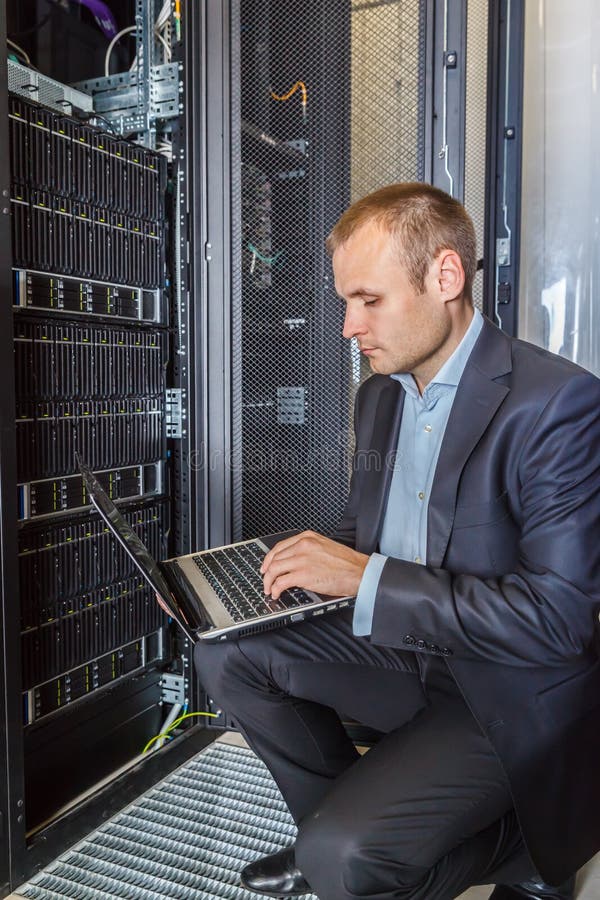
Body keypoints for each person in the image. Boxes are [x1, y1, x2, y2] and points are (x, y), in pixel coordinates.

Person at [194, 183, 600, 900]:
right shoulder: (380, 395)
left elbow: (557, 622)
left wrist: (362, 578)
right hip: (405, 648)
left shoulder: (556, 405)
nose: (349, 326)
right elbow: (369, 531)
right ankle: (333, 825)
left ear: (445, 277)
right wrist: (299, 560)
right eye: (345, 301)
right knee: (227, 651)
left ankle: (523, 852)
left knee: (348, 862)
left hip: (504, 687)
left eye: (368, 300)